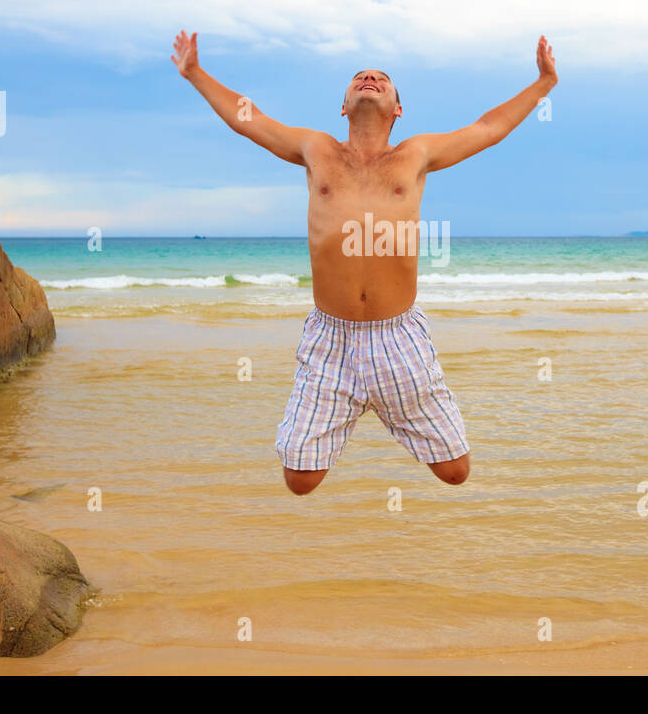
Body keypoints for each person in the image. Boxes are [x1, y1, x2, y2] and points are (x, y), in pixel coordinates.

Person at [172, 30, 557, 494]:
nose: (370, 79)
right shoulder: (317, 150)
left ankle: (390, 406)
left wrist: (543, 84)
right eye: (360, 77)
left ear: (397, 109)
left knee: (456, 472)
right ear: (343, 106)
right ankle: (350, 406)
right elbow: (248, 119)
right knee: (300, 481)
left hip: (397, 335)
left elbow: (487, 128)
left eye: (382, 79)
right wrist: (195, 72)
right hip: (331, 337)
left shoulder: (416, 154)